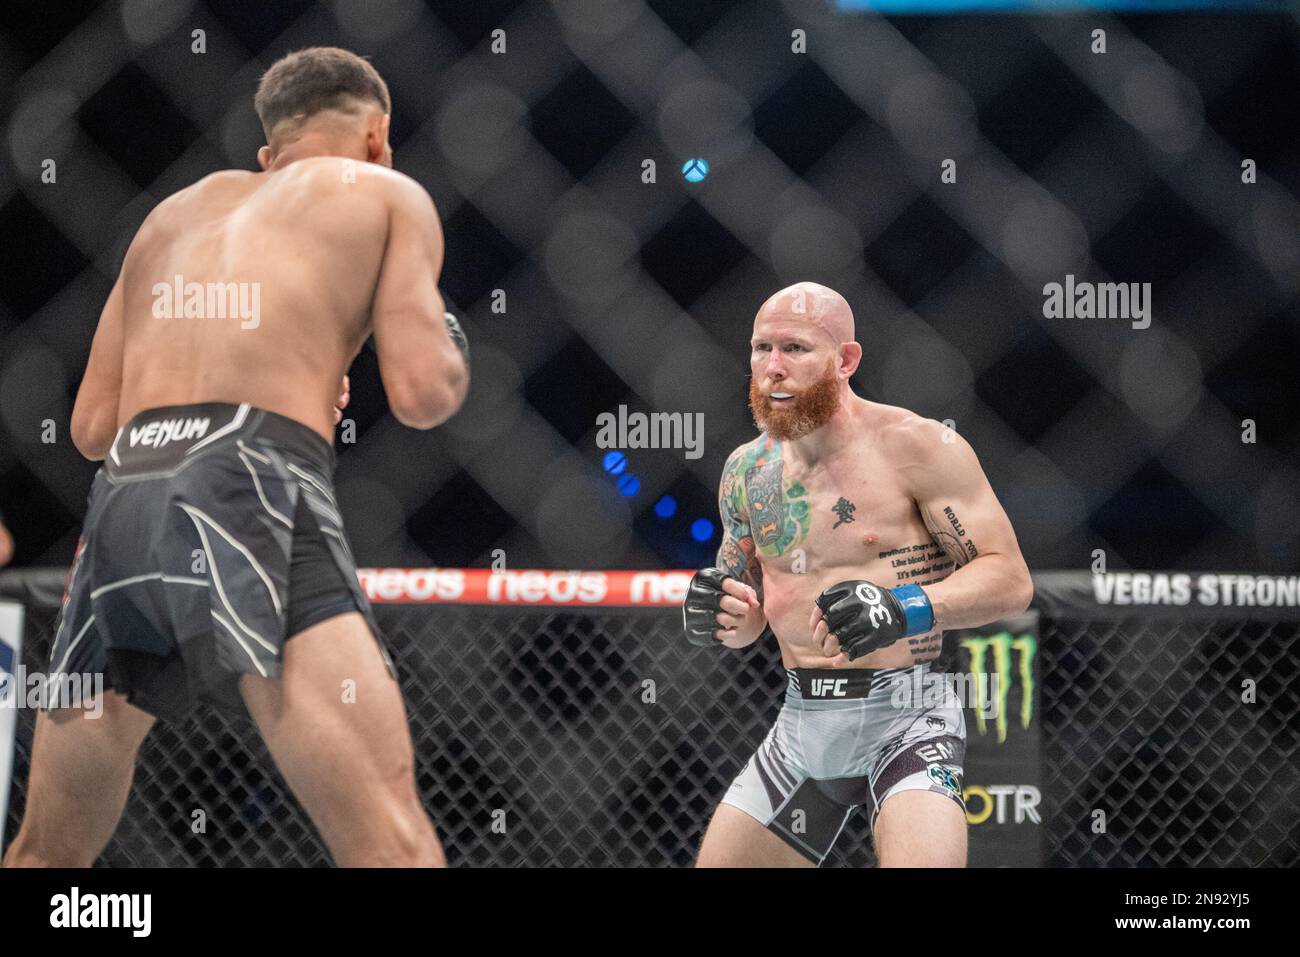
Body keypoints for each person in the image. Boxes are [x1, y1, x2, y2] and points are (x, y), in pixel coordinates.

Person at [3, 47, 468, 868]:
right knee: (389, 841)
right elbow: (422, 393)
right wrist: (441, 339)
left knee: (44, 855)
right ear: (377, 136)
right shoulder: (388, 194)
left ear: (270, 151)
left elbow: (89, 426)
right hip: (249, 475)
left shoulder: (173, 215)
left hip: (124, 500)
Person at [685, 281, 1032, 867]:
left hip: (907, 714)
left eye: (794, 349)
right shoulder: (745, 470)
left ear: (845, 360)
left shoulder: (919, 446)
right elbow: (744, 622)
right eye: (760, 348)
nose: (772, 368)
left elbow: (1010, 581)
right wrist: (720, 615)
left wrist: (904, 606)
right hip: (801, 723)